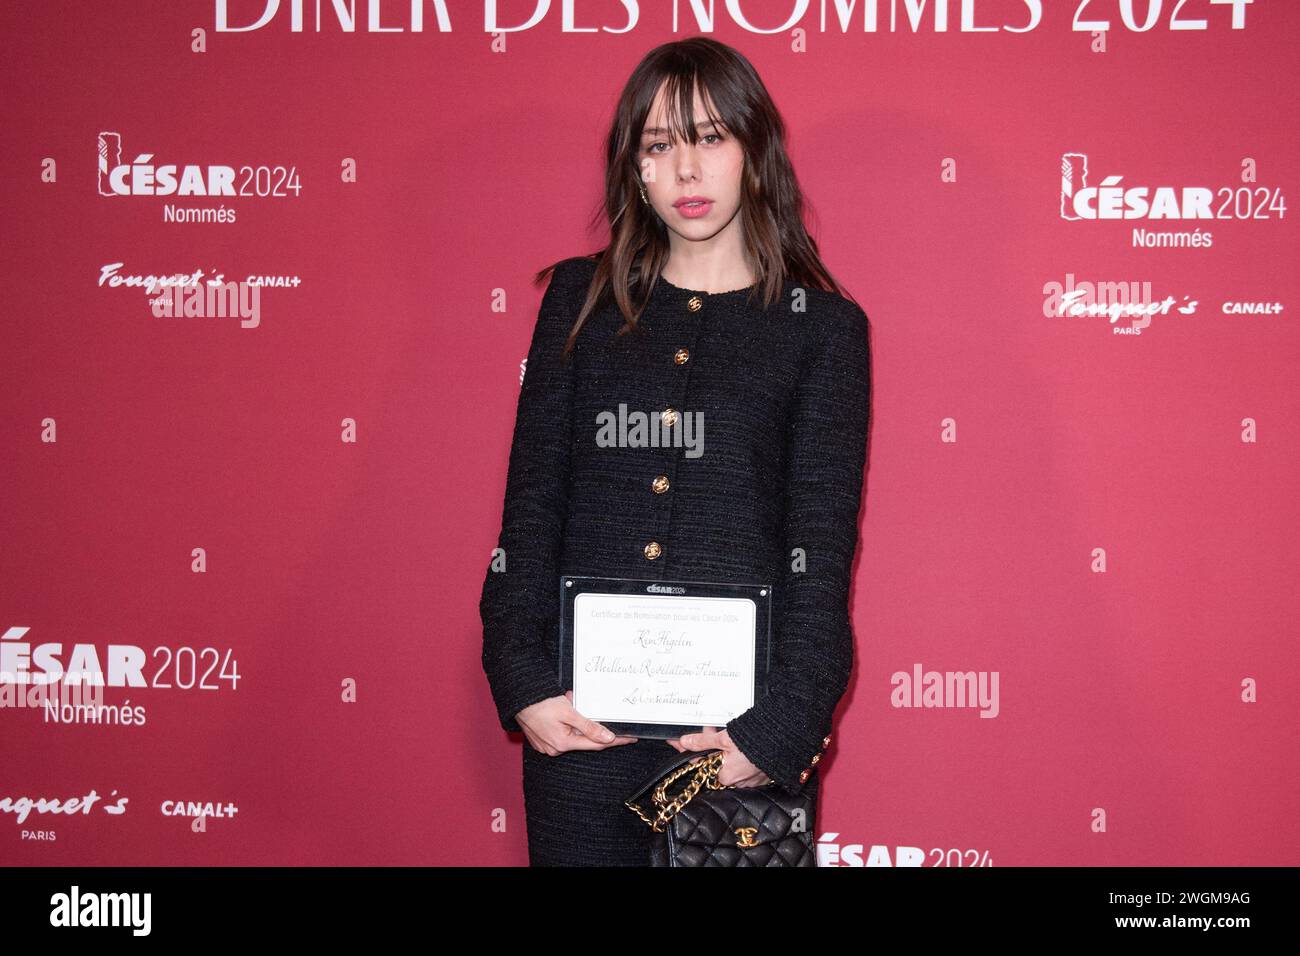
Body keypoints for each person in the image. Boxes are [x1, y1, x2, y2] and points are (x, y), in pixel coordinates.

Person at [479, 36, 872, 866]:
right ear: (635, 168)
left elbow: (821, 552)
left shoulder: (823, 332)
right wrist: (523, 681)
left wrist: (783, 727)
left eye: (711, 138)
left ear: (754, 151)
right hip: (582, 732)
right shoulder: (578, 307)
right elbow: (531, 507)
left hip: (738, 745)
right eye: (660, 145)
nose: (687, 170)